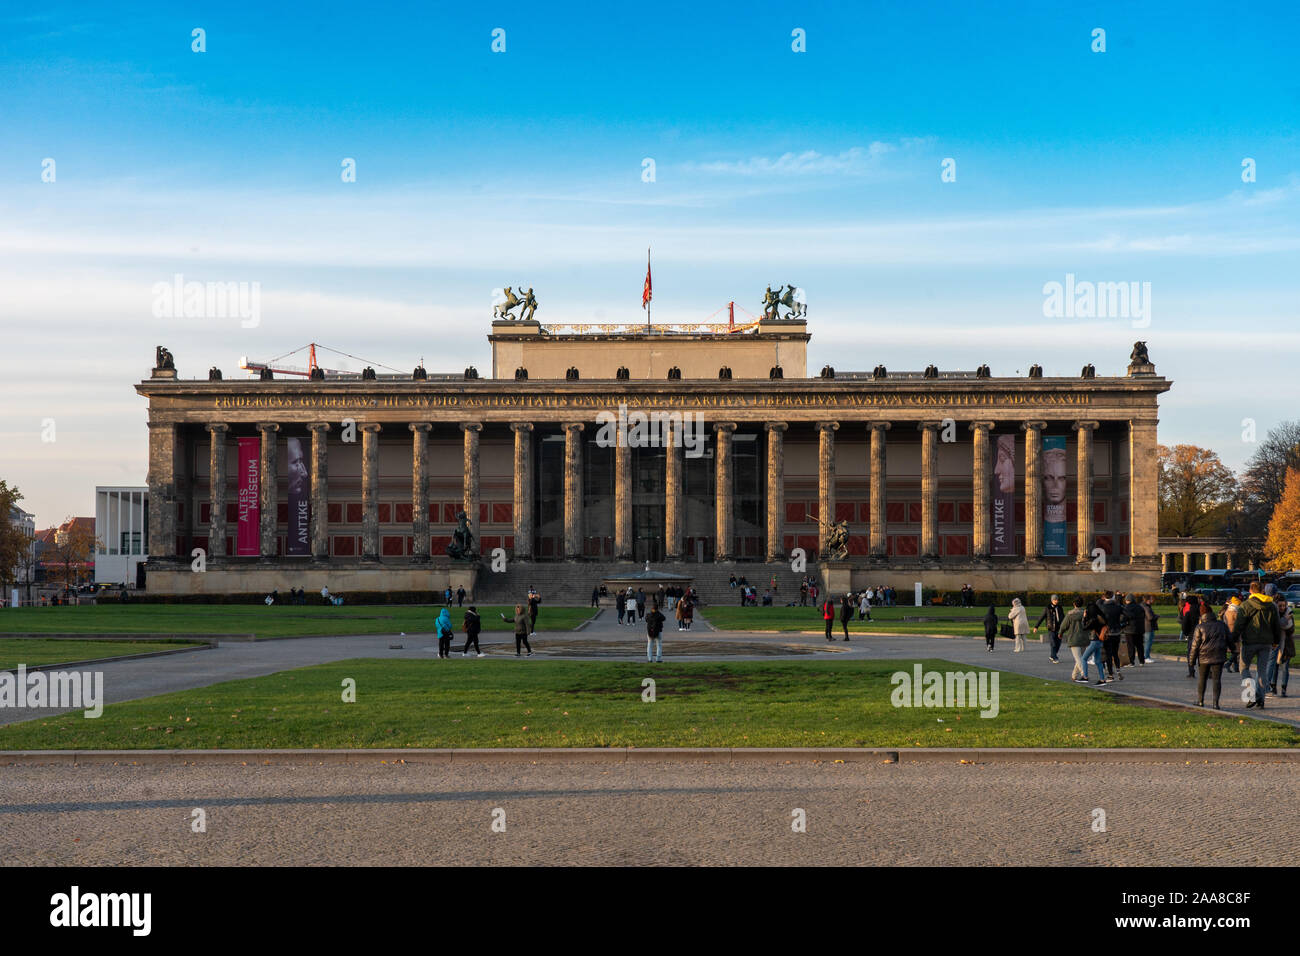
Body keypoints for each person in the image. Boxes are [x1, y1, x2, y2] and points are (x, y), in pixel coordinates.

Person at [1232, 581, 1281, 708]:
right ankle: (1261, 698)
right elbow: (1276, 626)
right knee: (1262, 670)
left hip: (1250, 641)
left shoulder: (1246, 605)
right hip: (1266, 642)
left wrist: (1233, 639)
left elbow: (1239, 625)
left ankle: (1250, 695)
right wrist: (1276, 641)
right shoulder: (1271, 605)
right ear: (1262, 591)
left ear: (1251, 591)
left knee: (1244, 668)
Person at [1188, 604, 1229, 709]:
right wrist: (1233, 650)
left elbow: (1195, 646)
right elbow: (1229, 639)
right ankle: (1216, 703)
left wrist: (1191, 661)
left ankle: (1200, 700)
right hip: (1218, 655)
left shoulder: (1200, 627)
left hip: (1203, 656)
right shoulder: (1221, 625)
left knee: (1202, 679)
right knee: (1217, 680)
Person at [1081, 598, 1108, 684]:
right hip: (1100, 640)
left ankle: (1085, 677)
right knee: (1098, 661)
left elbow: (1084, 627)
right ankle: (1102, 679)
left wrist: (1084, 617)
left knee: (1084, 658)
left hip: (1094, 641)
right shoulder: (1101, 617)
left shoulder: (1093, 619)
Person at [1061, 598, 1090, 681]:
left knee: (1079, 659)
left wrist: (1060, 632)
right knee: (1080, 658)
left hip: (1073, 638)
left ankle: (1084, 675)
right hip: (1084, 638)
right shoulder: (1085, 613)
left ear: (1074, 604)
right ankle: (1074, 675)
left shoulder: (1070, 614)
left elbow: (1064, 626)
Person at [1273, 597, 1294, 697]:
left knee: (1285, 668)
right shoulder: (1274, 615)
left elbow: (1291, 630)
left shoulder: (1289, 614)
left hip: (1287, 645)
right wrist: (1284, 621)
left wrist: (1286, 623)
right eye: (1280, 605)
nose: (1282, 607)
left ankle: (1283, 688)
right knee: (1274, 668)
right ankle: (1273, 687)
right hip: (1275, 644)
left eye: (1284, 605)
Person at [1033, 595, 1064, 663]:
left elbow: (1063, 617)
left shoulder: (1060, 607)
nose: (1056, 601)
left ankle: (1052, 655)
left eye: (1057, 600)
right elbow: (1041, 617)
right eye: (1055, 600)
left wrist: (1064, 626)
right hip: (1051, 628)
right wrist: (1036, 627)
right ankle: (1055, 658)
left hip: (1059, 629)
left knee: (1058, 643)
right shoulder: (1047, 608)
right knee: (1053, 643)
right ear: (1052, 600)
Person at [1121, 594, 1145, 667]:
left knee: (1131, 646)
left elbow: (1123, 618)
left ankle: (1131, 662)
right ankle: (1141, 661)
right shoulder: (1140, 607)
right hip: (1139, 629)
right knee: (1139, 645)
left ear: (1127, 600)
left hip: (1129, 629)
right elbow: (1143, 616)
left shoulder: (1126, 608)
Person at [1178, 591, 1198, 677]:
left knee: (1190, 654)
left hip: (1191, 635)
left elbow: (1184, 625)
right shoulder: (1201, 611)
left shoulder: (1188, 613)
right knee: (1202, 654)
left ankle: (1191, 671)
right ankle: (1207, 671)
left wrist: (1186, 633)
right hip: (1202, 635)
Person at [1221, 595, 1241, 672]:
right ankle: (1228, 663)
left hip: (1227, 632)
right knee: (1237, 651)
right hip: (1235, 633)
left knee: (1233, 650)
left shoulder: (1227, 611)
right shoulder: (1235, 612)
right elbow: (1239, 623)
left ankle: (1235, 668)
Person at [1142, 595, 1159, 663]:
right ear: (1148, 600)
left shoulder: (1144, 606)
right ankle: (1146, 657)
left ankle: (1146, 656)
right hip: (1148, 627)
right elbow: (1150, 617)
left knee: (1147, 642)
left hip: (1145, 626)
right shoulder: (1146, 607)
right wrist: (1156, 616)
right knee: (1148, 642)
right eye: (1151, 599)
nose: (1153, 601)